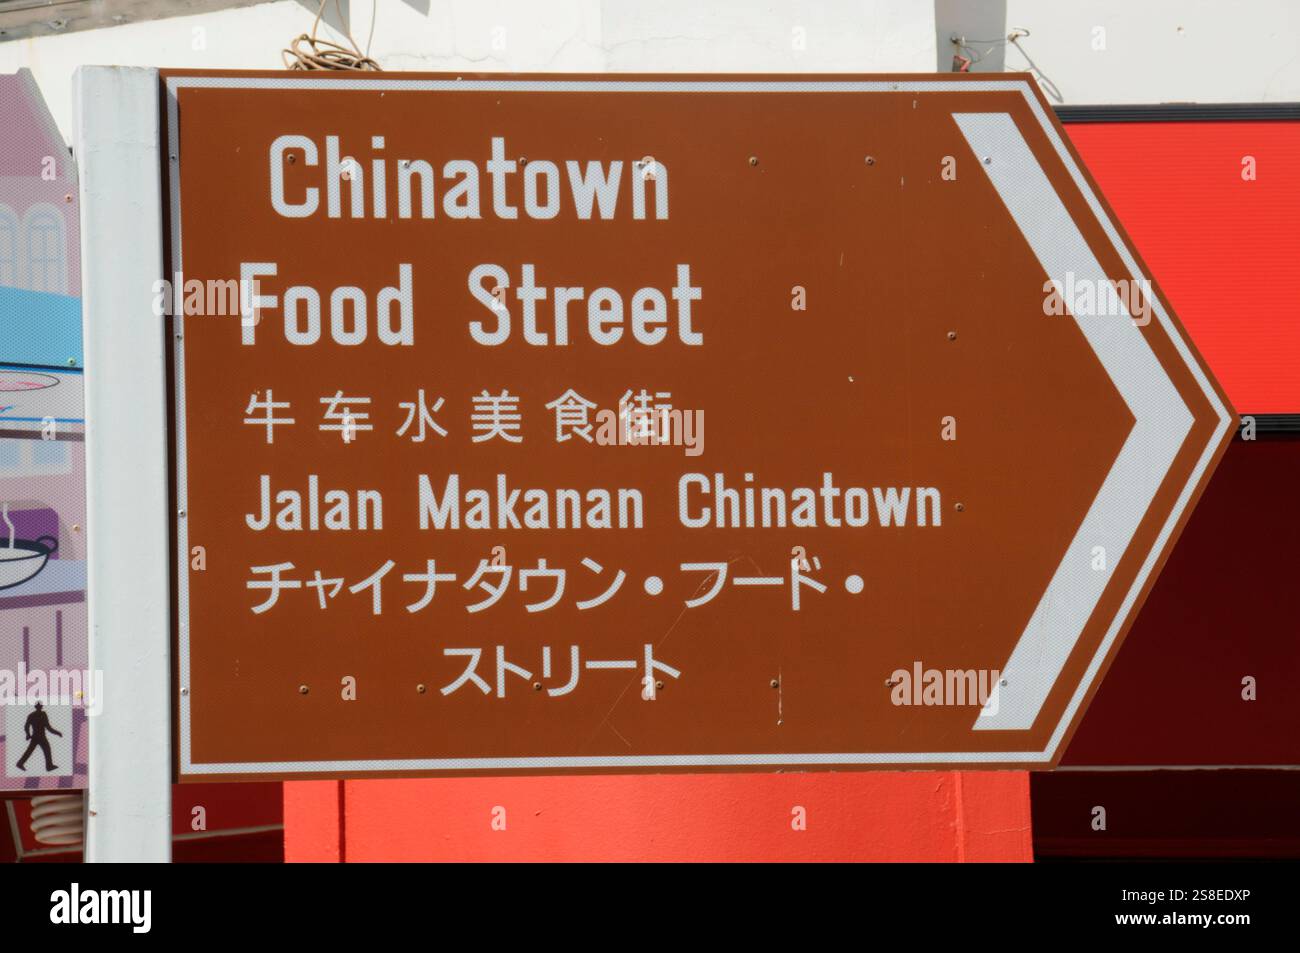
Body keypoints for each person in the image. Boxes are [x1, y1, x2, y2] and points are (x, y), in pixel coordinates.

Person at [15, 701, 61, 772]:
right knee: (44, 750)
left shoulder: (36, 715)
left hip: (38, 736)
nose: (41, 707)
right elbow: (47, 727)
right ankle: (49, 766)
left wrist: (28, 734)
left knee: (35, 750)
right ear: (38, 707)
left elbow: (27, 726)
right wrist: (28, 734)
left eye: (40, 706)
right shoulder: (38, 715)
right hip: (39, 737)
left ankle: (20, 763)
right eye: (40, 706)